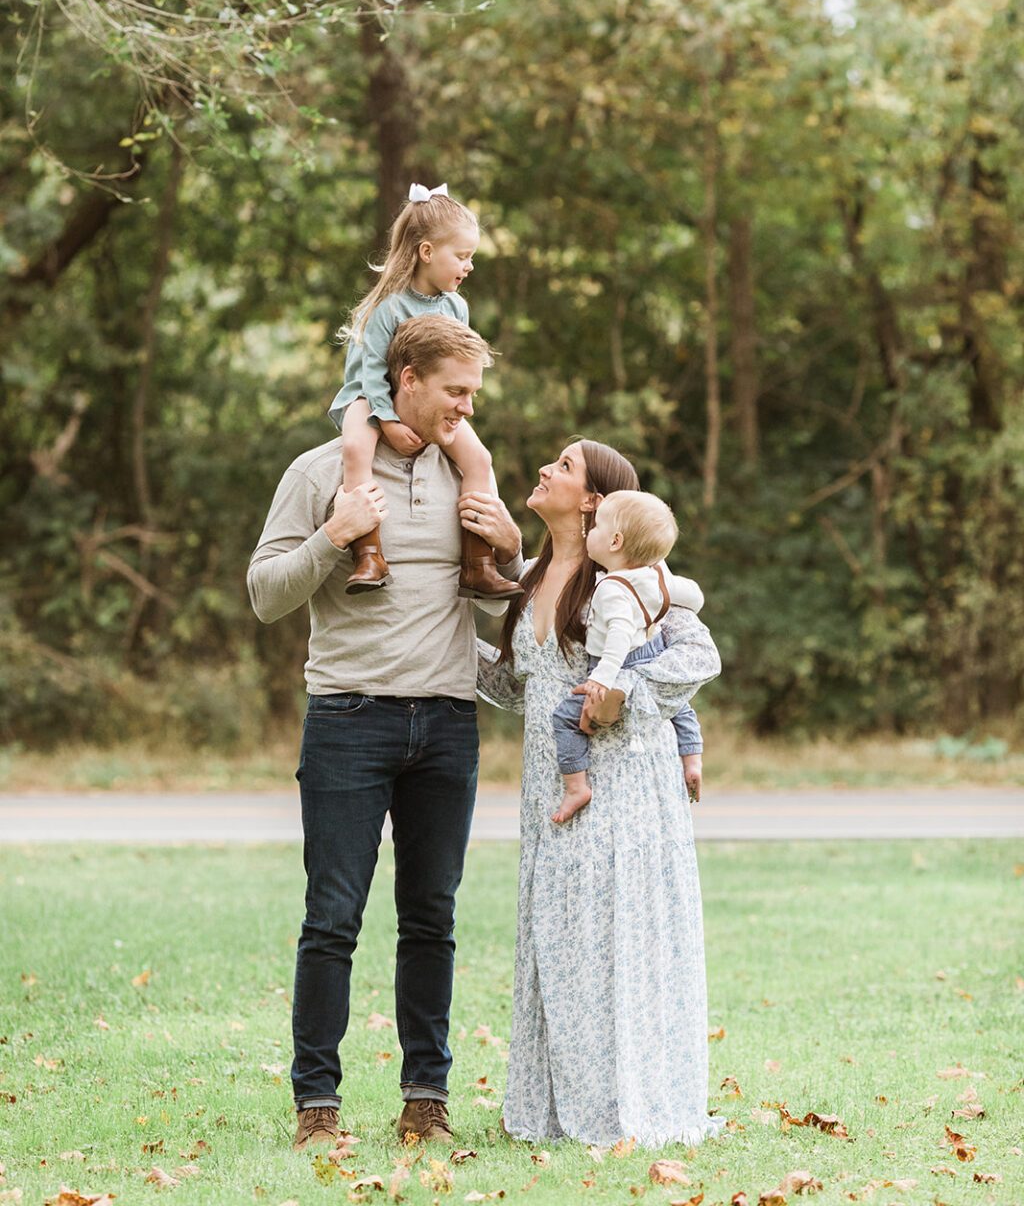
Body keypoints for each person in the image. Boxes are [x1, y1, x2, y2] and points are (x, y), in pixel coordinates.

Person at [247, 315, 524, 1154]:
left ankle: (425, 1099)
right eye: (455, 392)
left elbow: (499, 605)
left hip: (446, 721)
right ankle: (317, 1107)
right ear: (404, 378)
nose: (467, 409)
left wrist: (514, 549)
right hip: (348, 721)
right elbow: (265, 594)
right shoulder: (320, 471)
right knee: (332, 918)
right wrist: (335, 535)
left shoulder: (465, 472)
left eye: (474, 394)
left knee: (431, 918)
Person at [475, 440, 725, 1149]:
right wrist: (429, 645)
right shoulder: (529, 577)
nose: (546, 469)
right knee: (559, 939)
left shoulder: (634, 576)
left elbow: (699, 657)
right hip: (547, 781)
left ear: (593, 501)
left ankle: (629, 1102)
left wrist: (625, 695)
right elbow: (515, 685)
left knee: (615, 937)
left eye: (563, 464)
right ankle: (562, 1103)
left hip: (626, 783)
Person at [327, 181, 520, 601]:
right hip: (368, 395)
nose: (469, 266)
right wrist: (388, 422)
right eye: (463, 256)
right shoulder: (389, 307)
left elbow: (459, 363)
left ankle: (478, 563)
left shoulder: (456, 307)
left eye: (471, 257)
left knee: (480, 460)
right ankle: (369, 553)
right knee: (357, 451)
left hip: (420, 403)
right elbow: (372, 372)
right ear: (427, 252)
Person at [550, 488, 705, 824]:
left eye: (596, 528)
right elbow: (694, 597)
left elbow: (619, 633)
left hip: (621, 662)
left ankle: (577, 786)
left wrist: (602, 677)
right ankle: (692, 759)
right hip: (653, 650)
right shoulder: (652, 576)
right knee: (679, 706)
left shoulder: (612, 589)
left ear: (615, 541)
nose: (589, 532)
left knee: (564, 718)